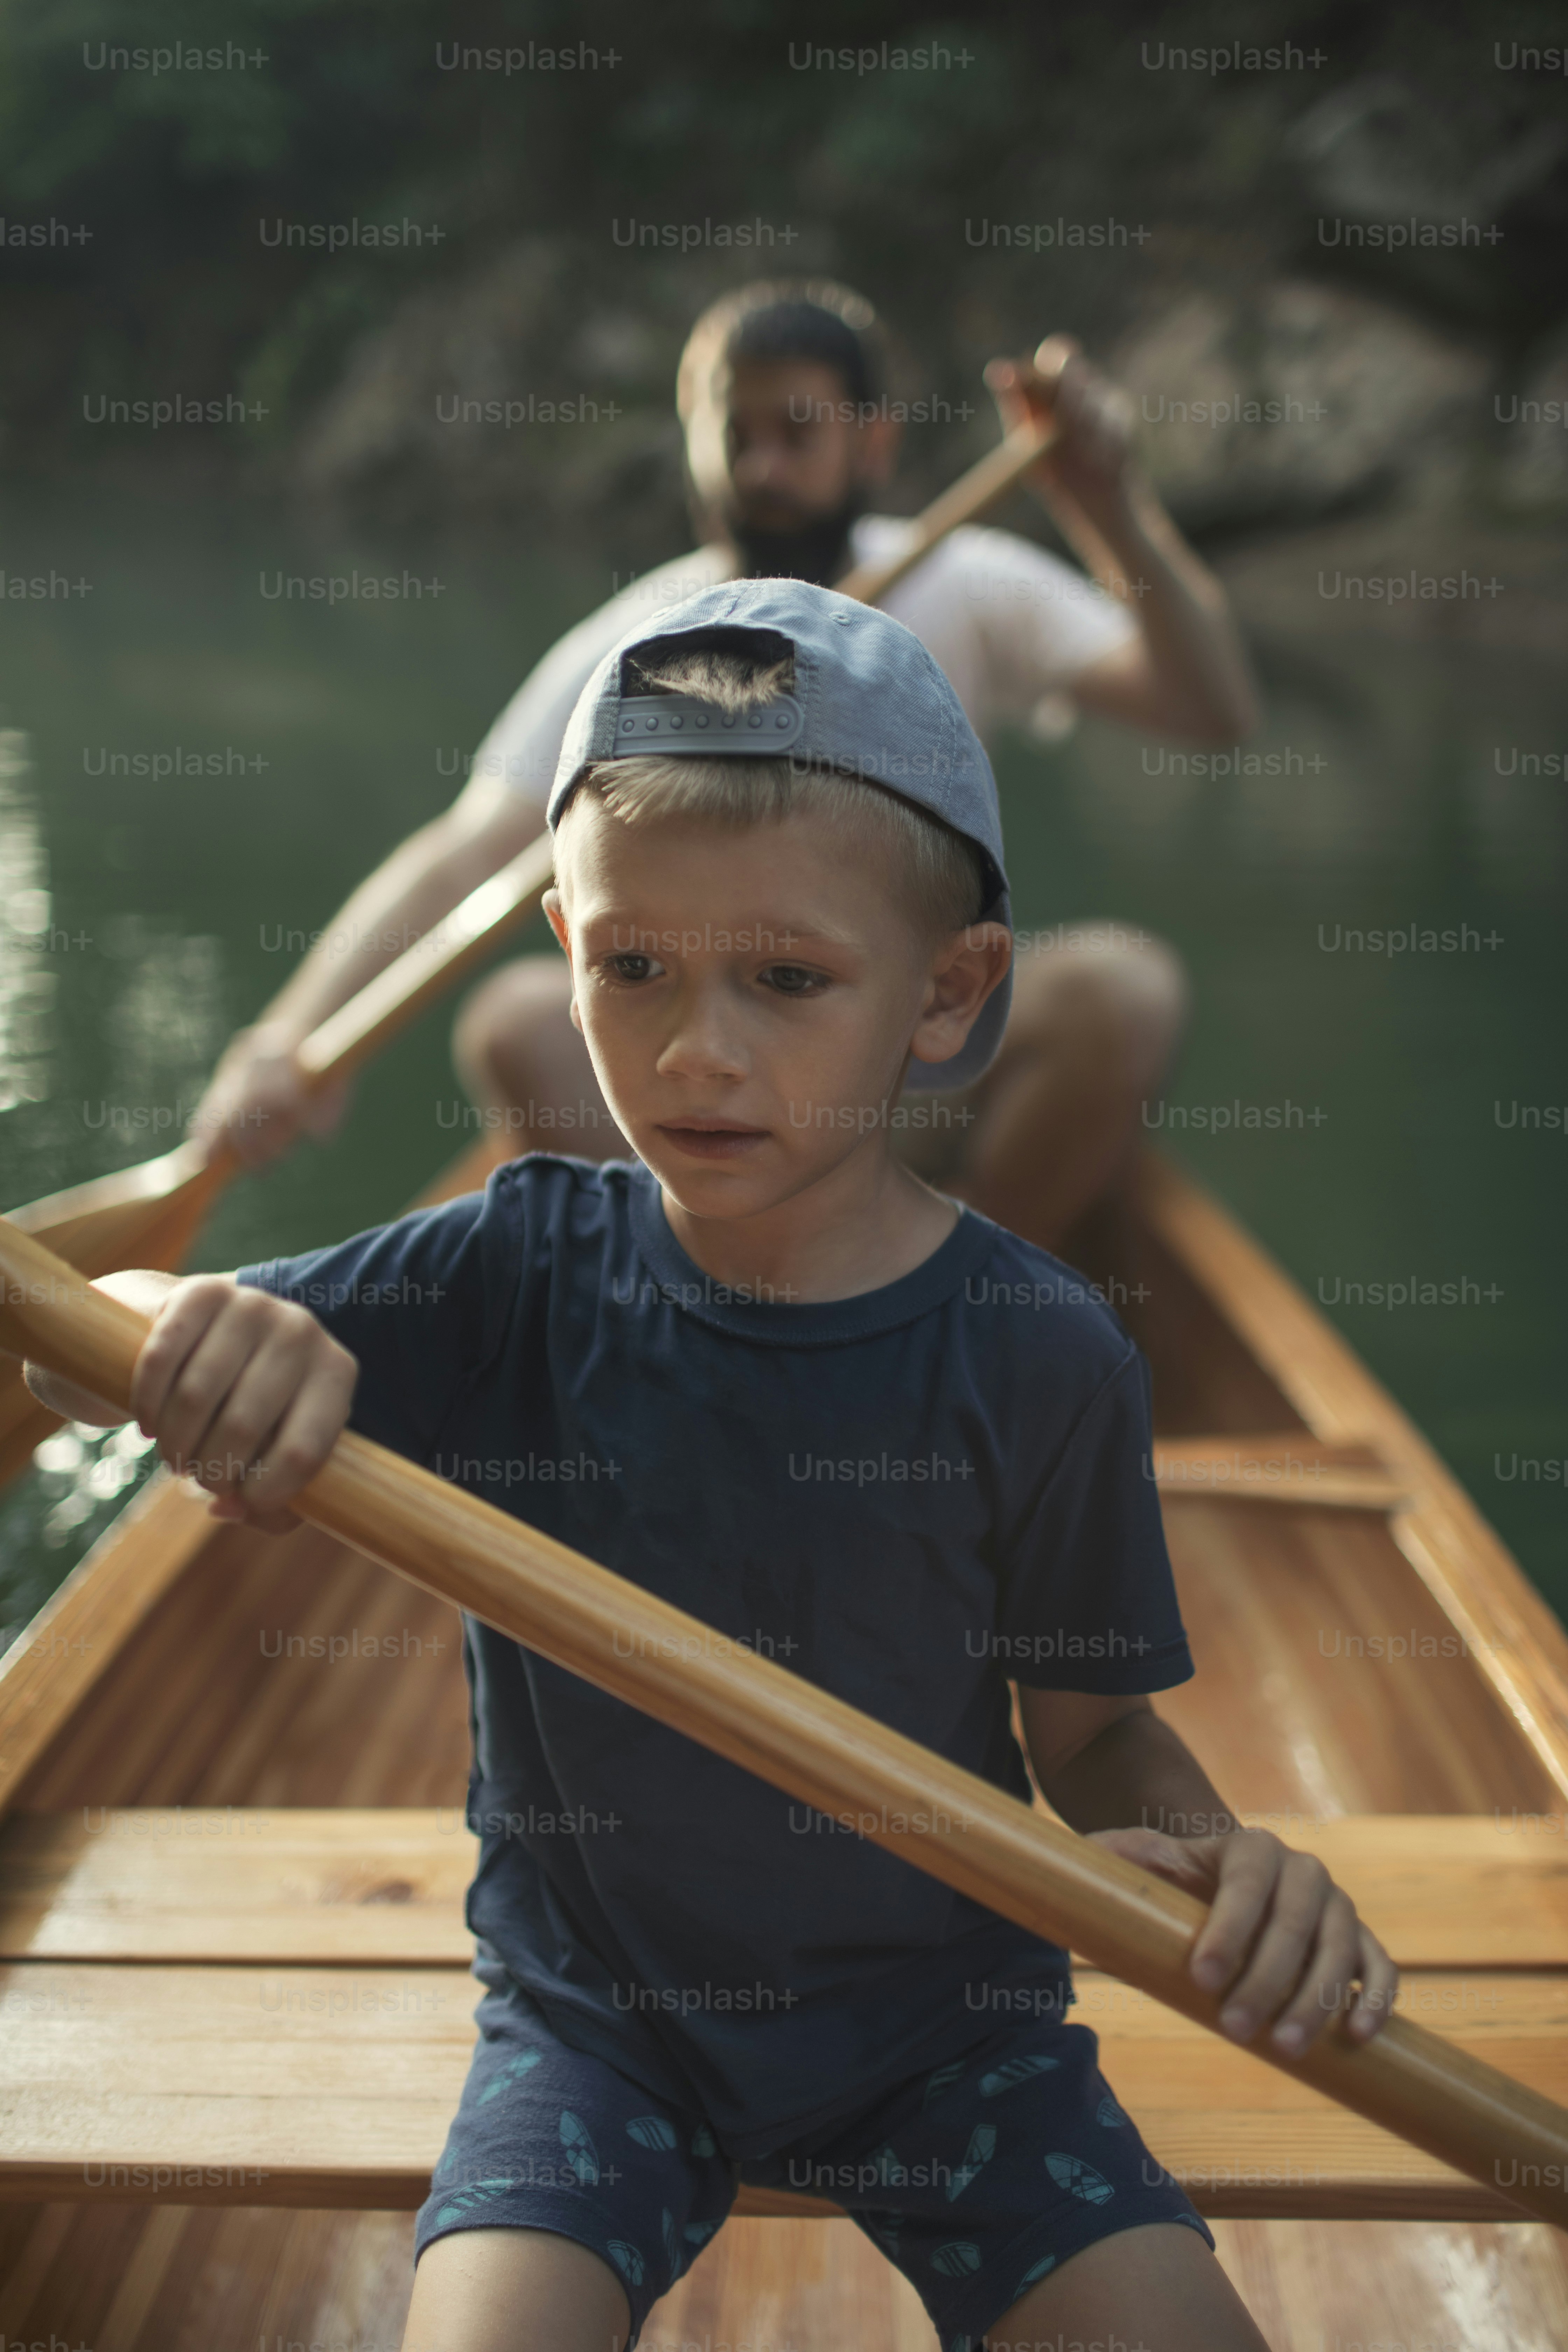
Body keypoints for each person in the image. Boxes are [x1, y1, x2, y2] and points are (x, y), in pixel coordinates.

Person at [30, 583, 1386, 2352]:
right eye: (631, 966)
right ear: (566, 943)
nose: (693, 1051)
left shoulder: (1047, 1351)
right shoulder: (510, 1265)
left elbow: (1096, 1734)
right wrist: (183, 1325)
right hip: (600, 2038)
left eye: (787, 978)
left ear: (949, 992)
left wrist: (1231, 1858)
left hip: (950, 2032)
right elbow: (58, 1334)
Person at [196, 279, 1259, 1248]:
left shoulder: (970, 584)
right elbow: (464, 854)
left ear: (874, 443)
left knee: (1125, 990)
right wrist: (287, 1033)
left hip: (917, 1065)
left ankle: (958, 1299)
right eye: (734, 435)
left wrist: (1106, 504)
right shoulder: (642, 640)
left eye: (799, 431)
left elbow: (1210, 710)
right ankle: (692, 1295)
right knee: (517, 1023)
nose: (763, 469)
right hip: (710, 1069)